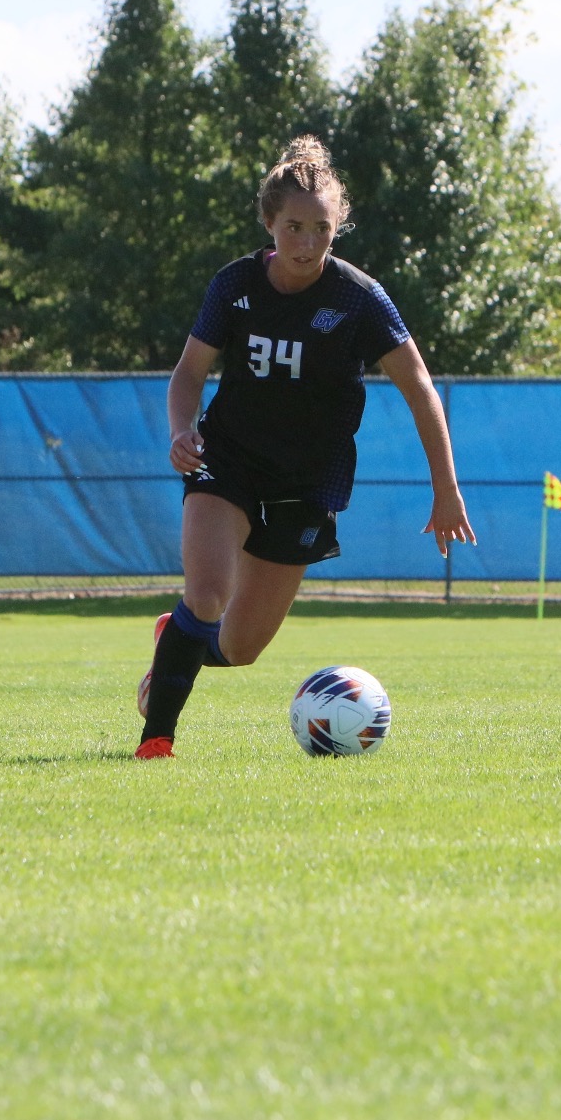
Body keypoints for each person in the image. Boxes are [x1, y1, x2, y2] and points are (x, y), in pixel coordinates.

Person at [136, 136, 475, 759]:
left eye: (322, 228)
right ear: (269, 223)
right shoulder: (234, 285)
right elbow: (188, 374)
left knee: (238, 649)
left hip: (309, 481)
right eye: (294, 226)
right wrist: (182, 430)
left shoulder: (359, 299)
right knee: (207, 595)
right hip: (228, 460)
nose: (308, 242)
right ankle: (156, 741)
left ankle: (175, 643)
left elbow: (420, 387)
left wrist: (446, 489)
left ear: (336, 227)